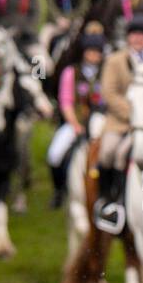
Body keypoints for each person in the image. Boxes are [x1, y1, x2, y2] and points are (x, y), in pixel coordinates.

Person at [94, 14, 143, 223]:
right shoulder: (115, 61)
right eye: (134, 34)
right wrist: (133, 114)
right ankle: (108, 199)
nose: (138, 39)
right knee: (110, 151)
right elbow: (109, 93)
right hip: (120, 121)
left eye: (142, 35)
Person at [47, 32, 106, 208]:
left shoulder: (106, 72)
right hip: (76, 123)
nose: (94, 55)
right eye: (90, 50)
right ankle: (59, 190)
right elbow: (65, 102)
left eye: (97, 51)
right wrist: (75, 124)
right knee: (54, 154)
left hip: (101, 125)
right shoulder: (71, 72)